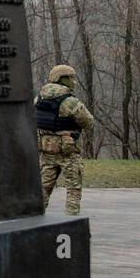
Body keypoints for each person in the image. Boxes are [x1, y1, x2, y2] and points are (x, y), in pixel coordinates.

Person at [35, 63, 94, 217]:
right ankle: (71, 224)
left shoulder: (39, 99)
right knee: (73, 192)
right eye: (71, 78)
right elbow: (88, 122)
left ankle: (34, 221)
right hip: (69, 153)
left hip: (46, 152)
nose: (73, 81)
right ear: (62, 79)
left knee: (42, 190)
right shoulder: (70, 101)